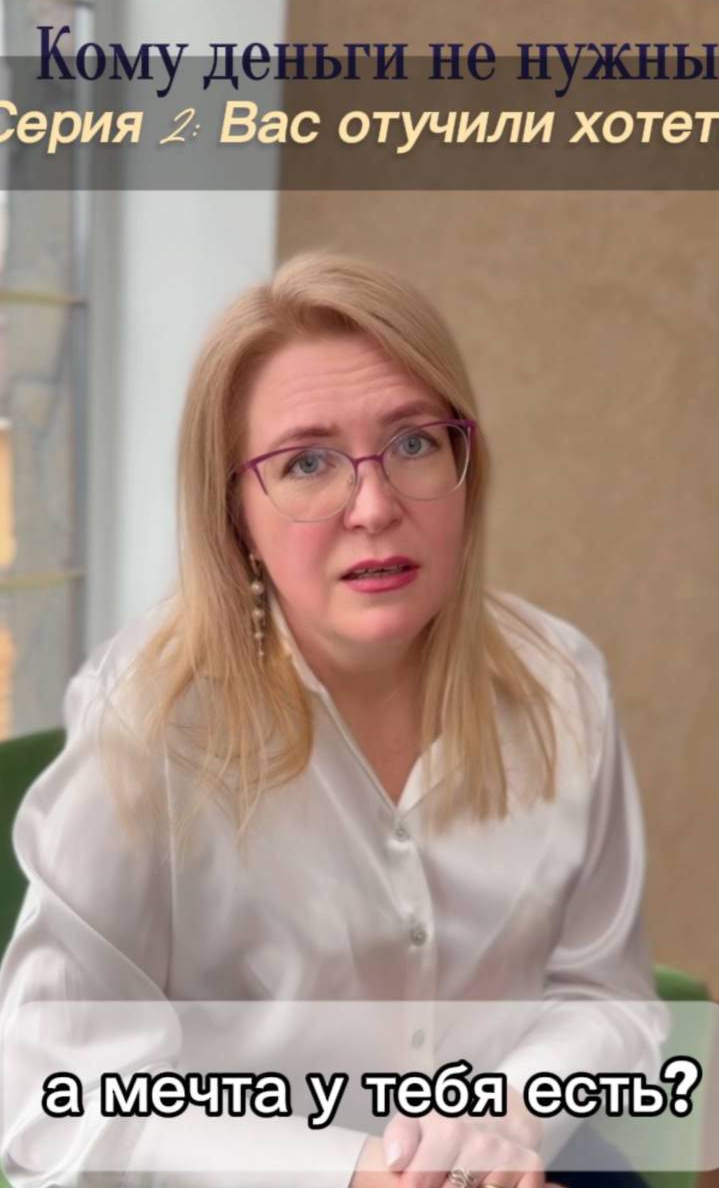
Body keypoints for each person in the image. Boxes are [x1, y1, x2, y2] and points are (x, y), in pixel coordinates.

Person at [0, 252, 666, 1188]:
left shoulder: (561, 682)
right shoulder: (147, 723)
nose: (375, 506)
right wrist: (355, 1170)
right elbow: (52, 1089)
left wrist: (494, 1131)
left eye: (414, 443)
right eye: (306, 463)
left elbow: (605, 996)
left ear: (466, 469)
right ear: (235, 513)